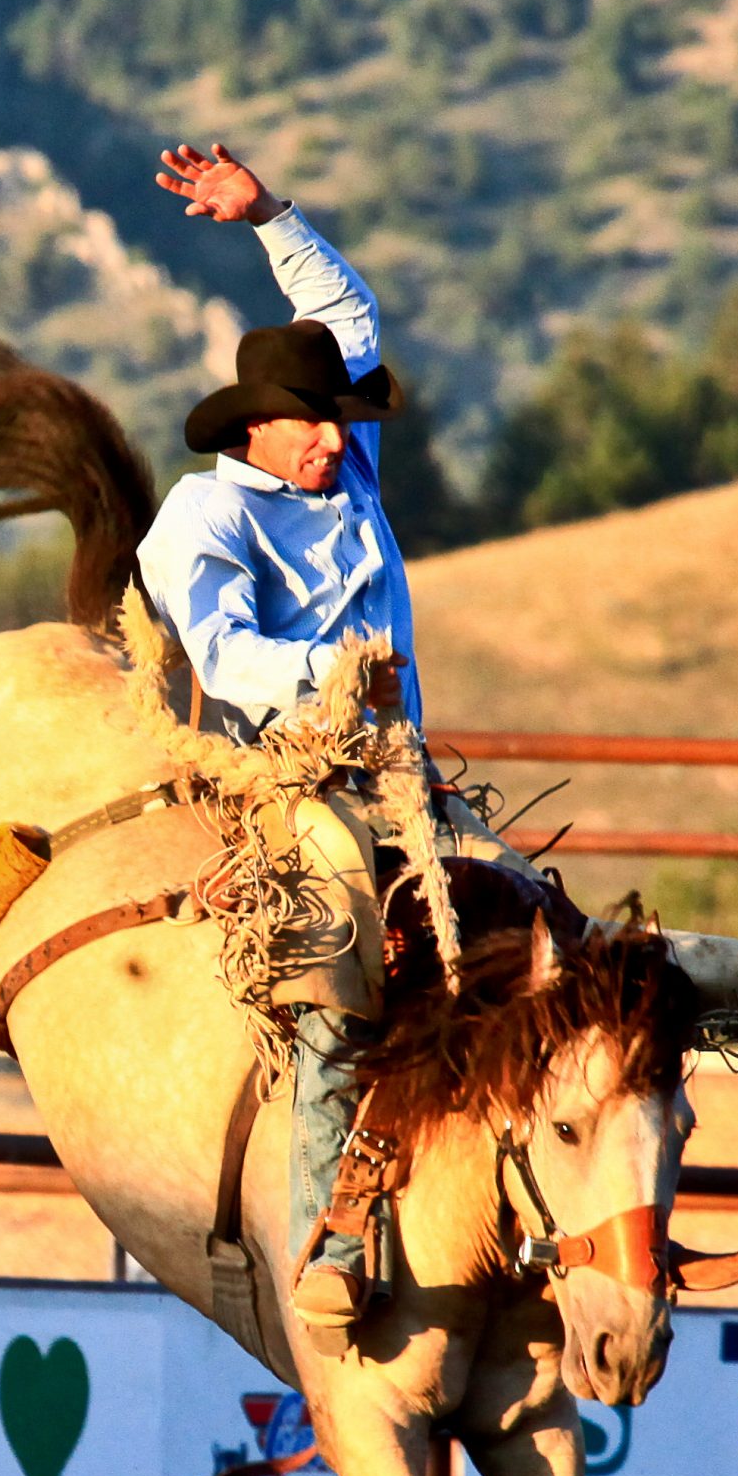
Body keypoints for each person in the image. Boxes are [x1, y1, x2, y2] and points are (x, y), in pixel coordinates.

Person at [136, 139, 419, 1342]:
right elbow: (221, 653)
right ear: (255, 427)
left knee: (525, 936)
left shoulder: (336, 463)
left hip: (404, 777)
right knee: (337, 977)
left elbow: (341, 310)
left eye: (336, 418)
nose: (333, 438)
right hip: (284, 781)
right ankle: (326, 1241)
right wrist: (335, 674)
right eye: (311, 422)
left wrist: (267, 216)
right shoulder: (199, 519)